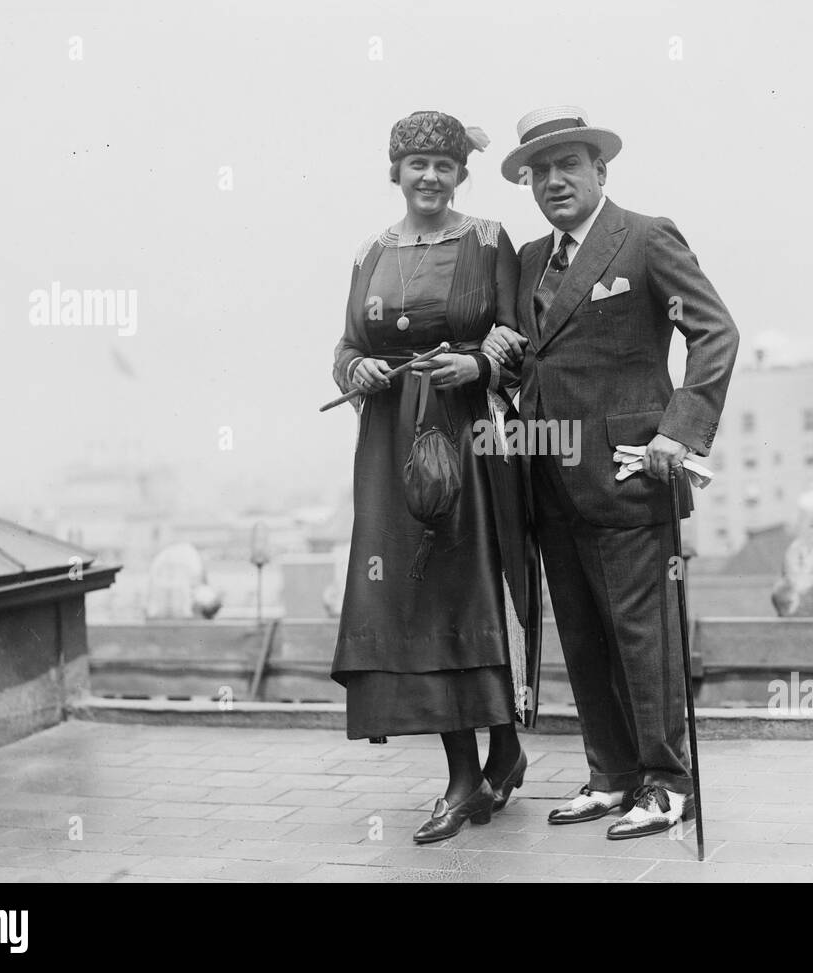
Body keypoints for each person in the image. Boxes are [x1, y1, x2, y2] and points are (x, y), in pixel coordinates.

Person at [485, 105, 738, 840]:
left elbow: (714, 332)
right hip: (549, 474)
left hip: (630, 475)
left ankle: (666, 782)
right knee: (584, 634)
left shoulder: (647, 237)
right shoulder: (529, 258)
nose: (555, 181)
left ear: (602, 171)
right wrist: (506, 360)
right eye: (541, 170)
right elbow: (546, 359)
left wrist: (677, 434)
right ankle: (611, 774)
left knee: (642, 634)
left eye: (570, 164)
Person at [330, 110, 539, 845]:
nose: (429, 176)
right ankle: (489, 757)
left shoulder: (488, 241)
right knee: (411, 598)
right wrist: (356, 368)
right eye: (416, 164)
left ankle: (472, 775)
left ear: (460, 175)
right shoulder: (369, 253)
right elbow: (347, 344)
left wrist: (478, 363)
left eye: (443, 166)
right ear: (397, 172)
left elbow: (516, 335)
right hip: (391, 439)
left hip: (465, 434)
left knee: (462, 587)